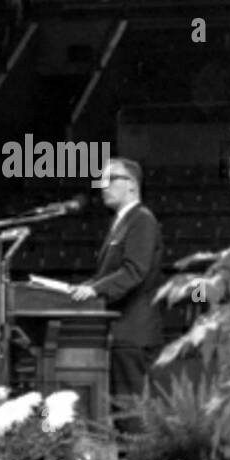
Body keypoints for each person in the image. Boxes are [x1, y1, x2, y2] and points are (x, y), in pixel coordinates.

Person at [70, 158, 164, 438]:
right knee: (124, 414)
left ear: (132, 186)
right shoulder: (121, 223)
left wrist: (96, 290)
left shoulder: (142, 220)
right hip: (120, 330)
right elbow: (109, 274)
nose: (102, 187)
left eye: (110, 180)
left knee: (132, 413)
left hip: (133, 330)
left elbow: (134, 270)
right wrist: (83, 288)